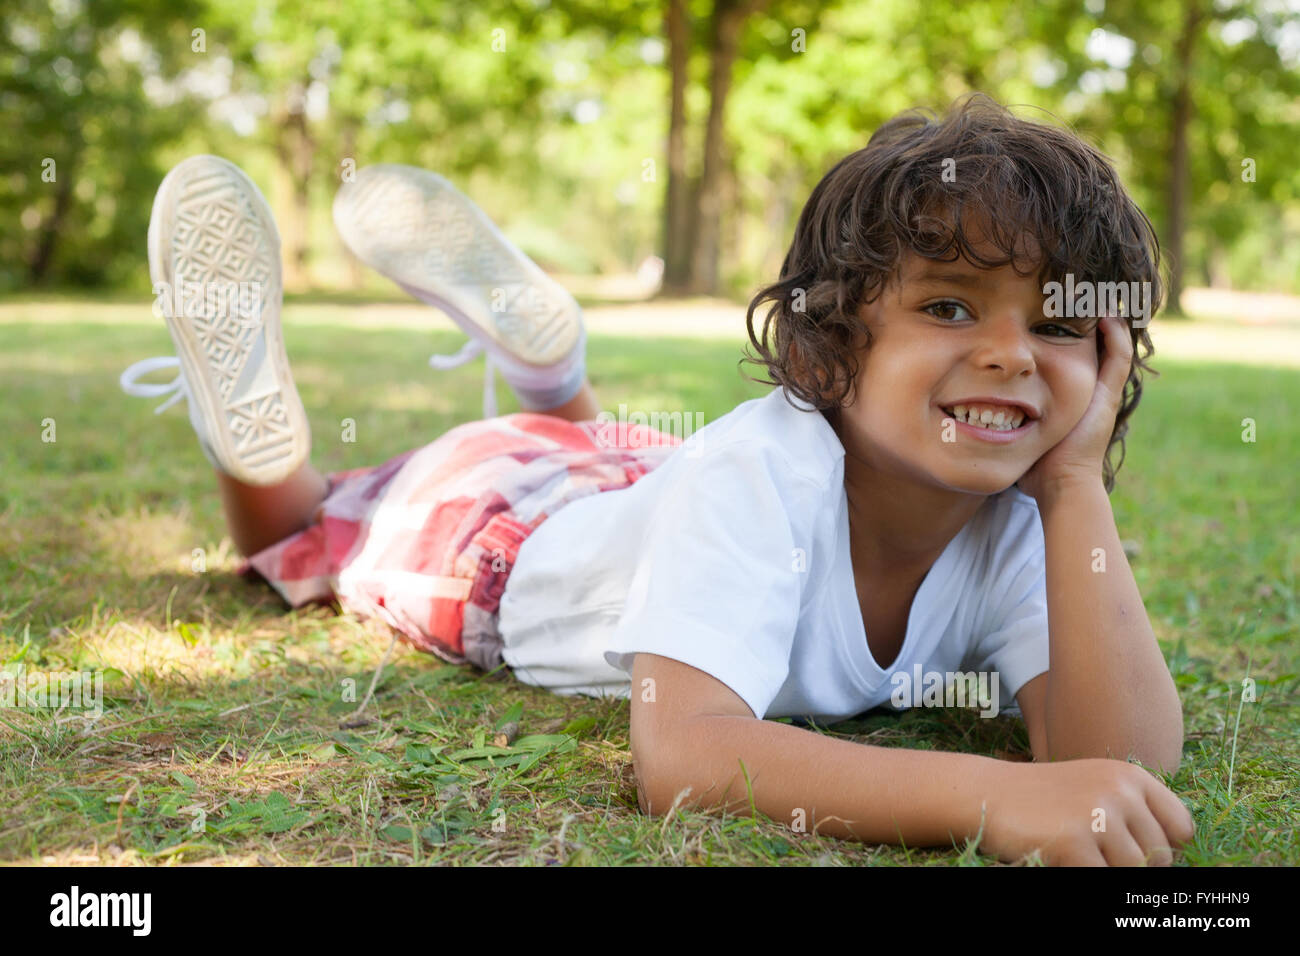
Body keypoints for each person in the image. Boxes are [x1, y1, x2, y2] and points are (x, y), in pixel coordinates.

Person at [121, 92, 1194, 866]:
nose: (1012, 353)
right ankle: (256, 440)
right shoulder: (758, 470)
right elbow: (681, 755)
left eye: (1057, 323)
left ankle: (550, 365)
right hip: (507, 532)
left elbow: (1115, 763)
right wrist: (992, 799)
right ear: (827, 352)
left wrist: (1072, 487)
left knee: (634, 467)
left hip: (643, 476)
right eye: (949, 307)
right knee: (308, 527)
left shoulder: (1023, 526)